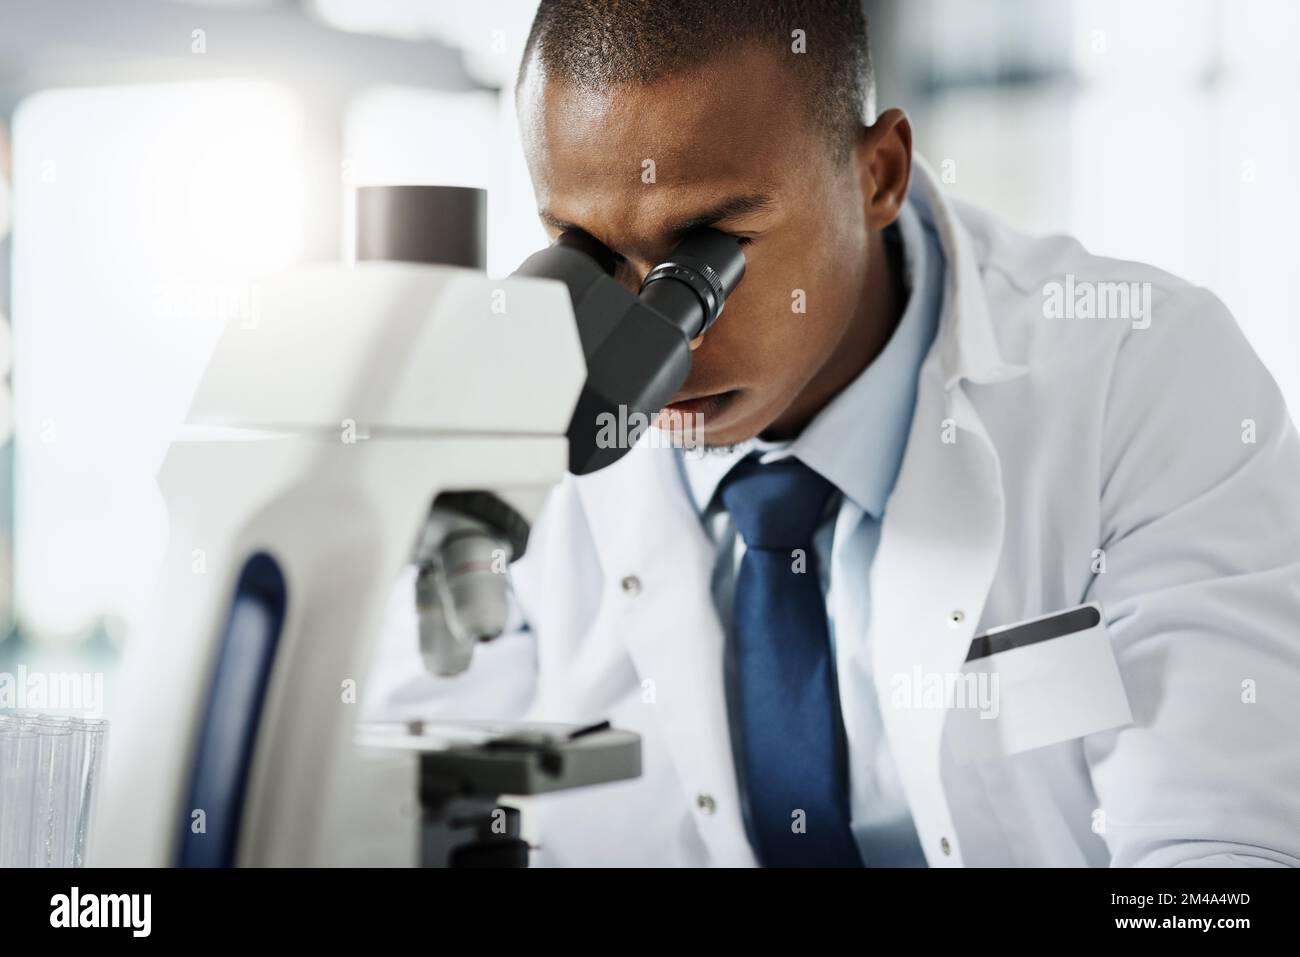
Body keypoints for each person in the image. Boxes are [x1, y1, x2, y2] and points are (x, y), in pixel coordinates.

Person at [367, 0, 1300, 867]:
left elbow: (1216, 867)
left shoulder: (1141, 379)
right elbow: (401, 795)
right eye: (589, 250)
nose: (651, 352)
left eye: (707, 248)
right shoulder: (517, 417)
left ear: (879, 174)